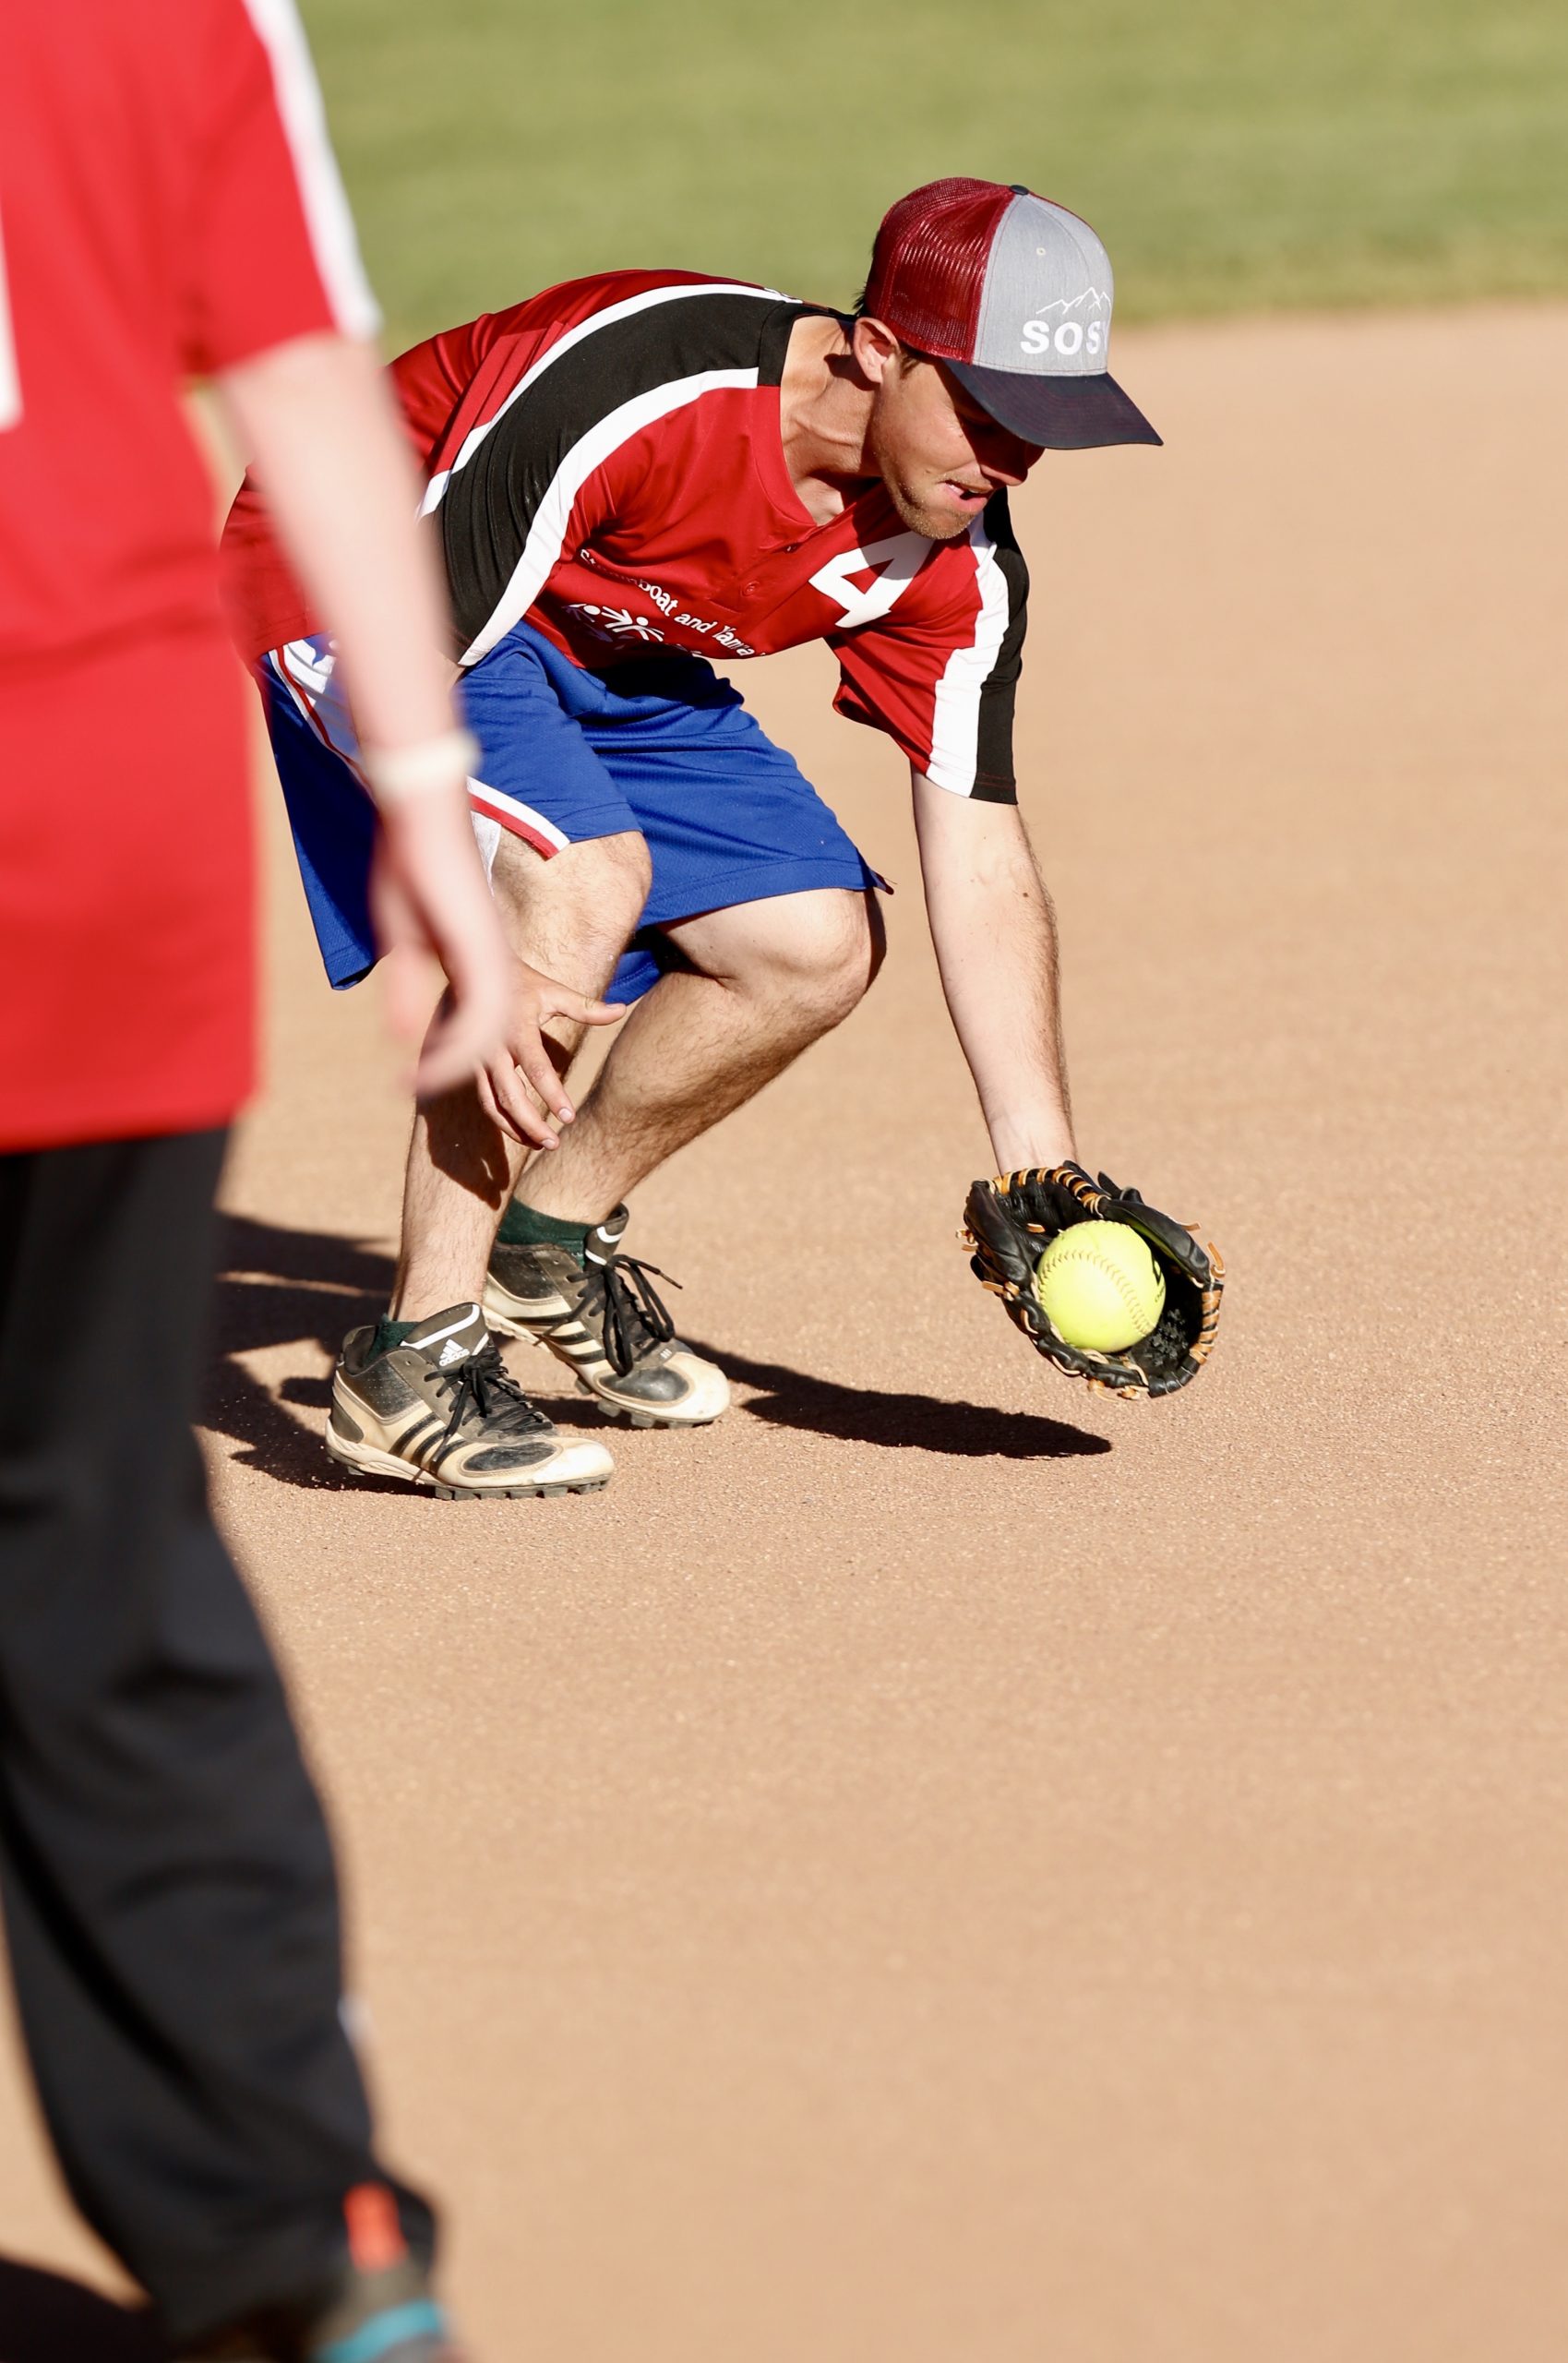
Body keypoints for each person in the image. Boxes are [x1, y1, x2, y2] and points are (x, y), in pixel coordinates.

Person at [0, 1, 559, 2353]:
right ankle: (289, 2230)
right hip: (91, 838)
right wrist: (424, 790)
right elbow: (309, 378)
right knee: (97, 1539)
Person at [221, 178, 1163, 1499]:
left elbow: (980, 847)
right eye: (990, 413)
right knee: (583, 884)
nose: (1009, 463)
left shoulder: (958, 552)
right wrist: (478, 939)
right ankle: (413, 1363)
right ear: (878, 352)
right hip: (370, 566)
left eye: (1046, 429)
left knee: (813, 944)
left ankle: (542, 1239)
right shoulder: (643, 383)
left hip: (590, 632)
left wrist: (1040, 1161)